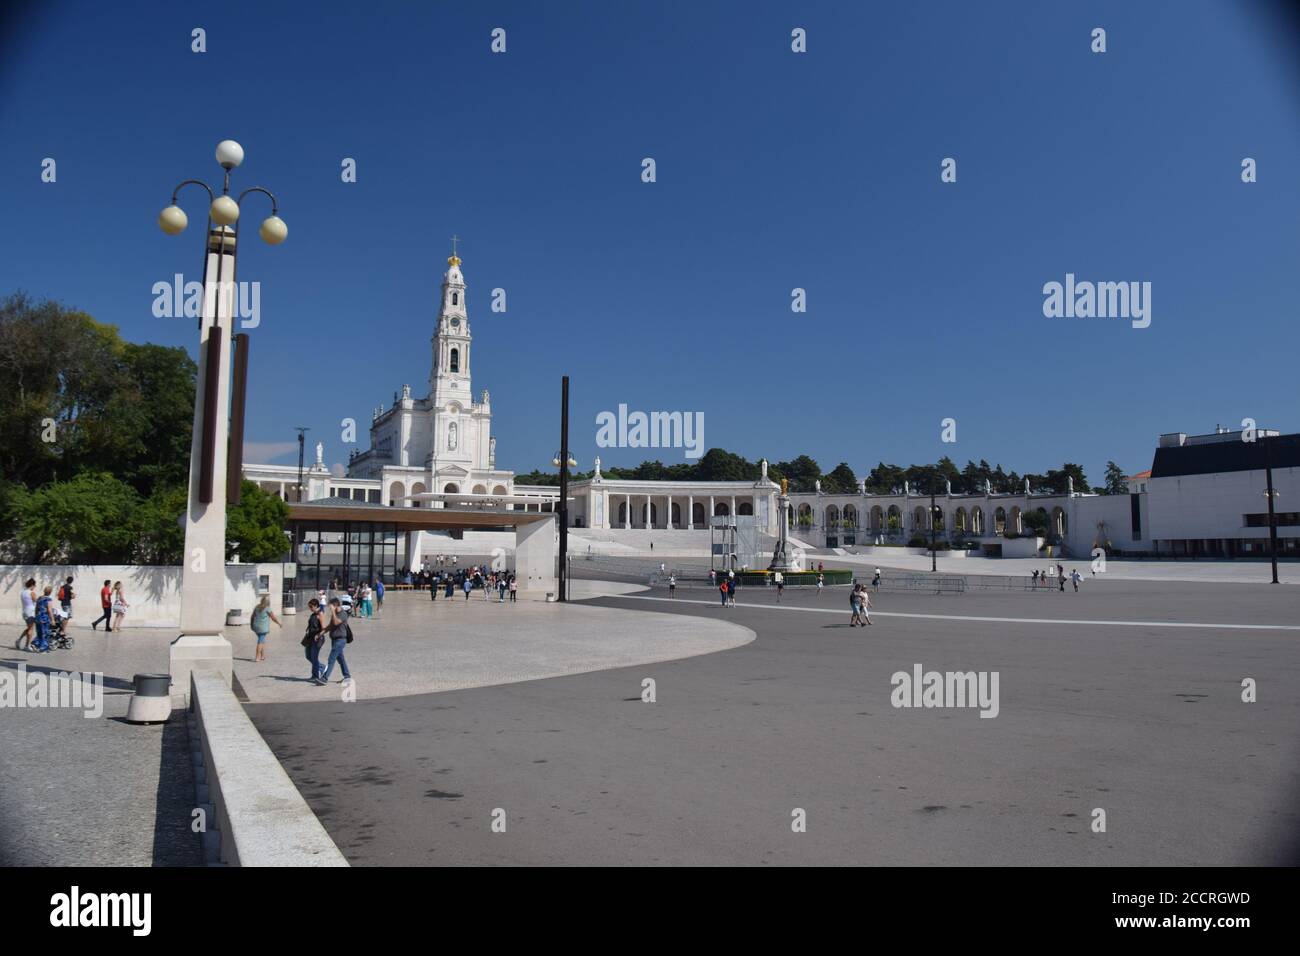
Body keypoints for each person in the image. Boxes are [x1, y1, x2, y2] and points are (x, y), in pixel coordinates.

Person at [318, 597, 353, 685]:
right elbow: (331, 626)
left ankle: (325, 678)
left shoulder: (343, 614)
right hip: (334, 640)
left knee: (331, 658)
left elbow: (337, 622)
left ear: (335, 605)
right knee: (341, 659)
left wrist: (333, 612)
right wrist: (320, 633)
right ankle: (347, 676)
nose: (330, 609)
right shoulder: (335, 614)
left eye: (331, 607)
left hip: (340, 640)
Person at [302, 598, 327, 683]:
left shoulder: (320, 614)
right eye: (309, 607)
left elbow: (324, 628)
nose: (310, 608)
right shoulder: (313, 614)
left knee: (314, 657)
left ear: (316, 605)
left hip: (318, 639)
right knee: (308, 656)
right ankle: (322, 667)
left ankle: (315, 676)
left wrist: (318, 635)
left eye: (311, 607)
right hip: (310, 638)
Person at [250, 594, 281, 663]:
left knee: (262, 640)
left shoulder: (257, 607)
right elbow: (273, 618)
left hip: (255, 627)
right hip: (262, 628)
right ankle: (257, 657)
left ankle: (262, 656)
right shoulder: (267, 608)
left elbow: (252, 617)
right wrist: (279, 623)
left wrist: (251, 625)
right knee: (260, 641)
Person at [31, 586, 56, 653]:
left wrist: (36, 616)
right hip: (44, 618)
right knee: (45, 633)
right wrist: (52, 619)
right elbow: (49, 610)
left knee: (39, 632)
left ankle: (36, 644)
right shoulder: (48, 600)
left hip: (38, 618)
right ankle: (43, 648)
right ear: (50, 592)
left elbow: (36, 608)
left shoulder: (39, 598)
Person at [17, 578, 37, 650]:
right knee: (31, 629)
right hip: (31, 612)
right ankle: (27, 646)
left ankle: (19, 640)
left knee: (29, 628)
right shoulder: (32, 593)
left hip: (25, 611)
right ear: (32, 585)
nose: (35, 587)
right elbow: (36, 602)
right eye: (34, 585)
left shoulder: (23, 592)